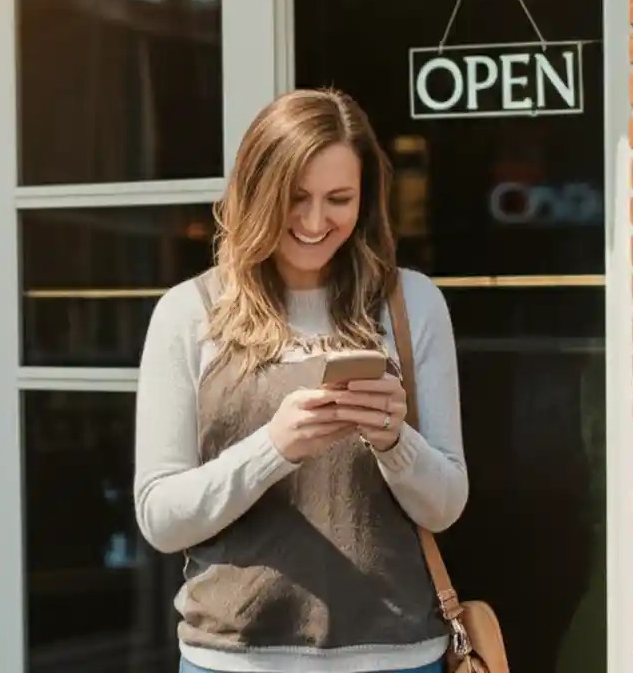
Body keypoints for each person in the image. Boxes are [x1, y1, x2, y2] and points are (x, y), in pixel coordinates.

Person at [133, 88, 468, 673]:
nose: (316, 222)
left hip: (397, 660)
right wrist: (273, 447)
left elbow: (445, 506)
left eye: (339, 198)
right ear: (257, 193)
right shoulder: (189, 313)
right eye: (295, 198)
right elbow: (161, 518)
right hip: (232, 663)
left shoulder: (411, 304)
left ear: (365, 200)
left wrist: (395, 440)